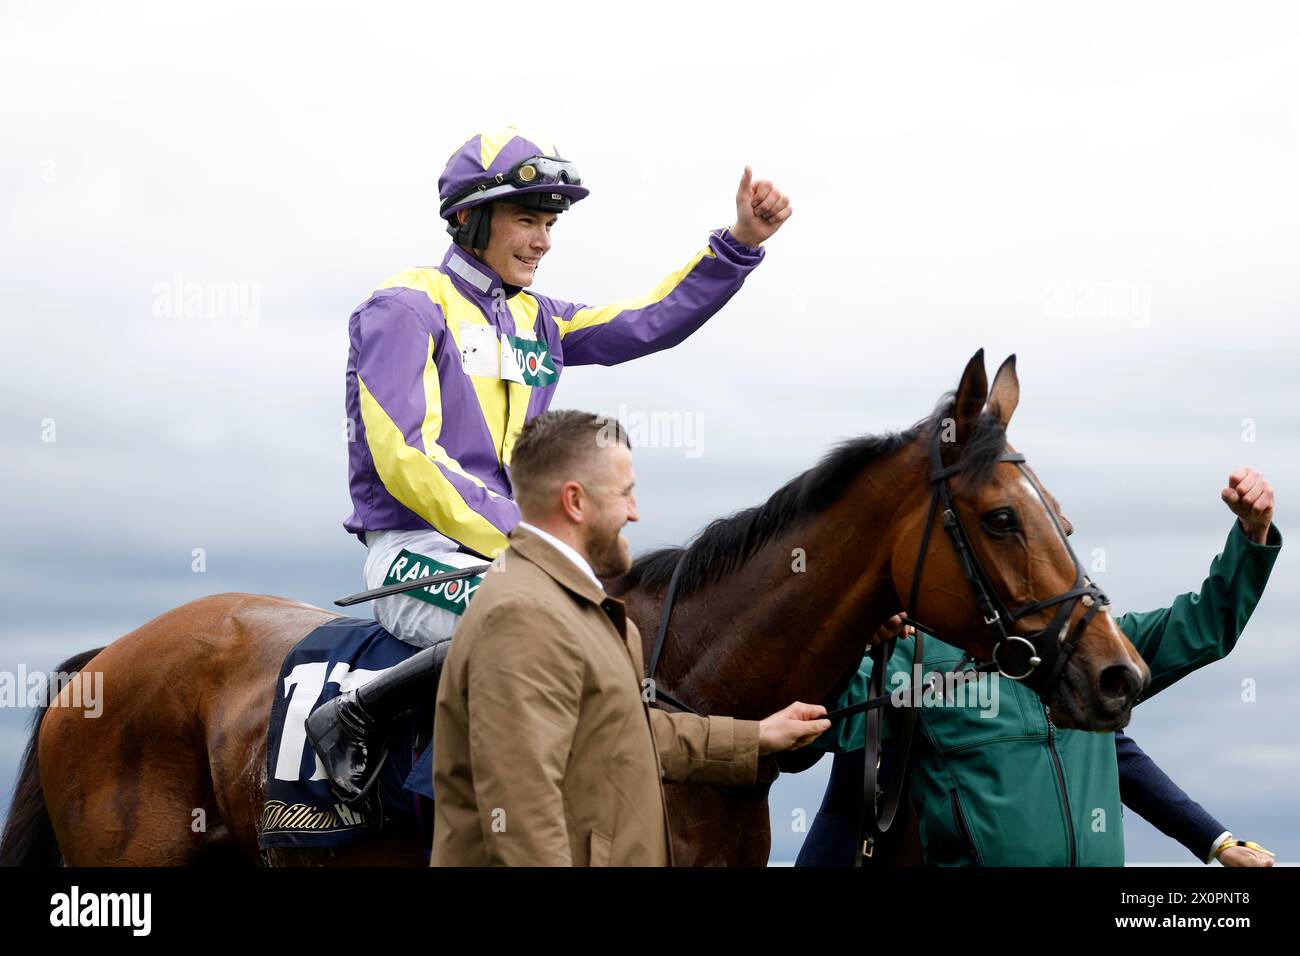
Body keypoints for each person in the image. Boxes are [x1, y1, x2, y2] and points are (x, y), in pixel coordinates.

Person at [306, 125, 792, 800]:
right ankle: (367, 725)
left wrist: (738, 245)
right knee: (530, 618)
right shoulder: (406, 306)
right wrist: (527, 538)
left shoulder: (542, 320)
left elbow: (649, 321)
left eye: (549, 225)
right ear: (470, 220)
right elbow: (405, 456)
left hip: (519, 551)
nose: (543, 242)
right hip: (414, 550)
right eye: (527, 221)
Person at [798, 467, 1281, 866]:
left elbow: (1204, 627)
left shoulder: (1094, 654)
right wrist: (855, 633)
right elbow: (813, 724)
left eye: (1061, 541)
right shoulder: (913, 655)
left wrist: (1251, 534)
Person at [430, 410, 830, 865]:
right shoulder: (523, 615)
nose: (635, 512)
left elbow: (631, 733)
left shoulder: (565, 602)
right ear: (575, 502)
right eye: (625, 494)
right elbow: (523, 818)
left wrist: (757, 738)